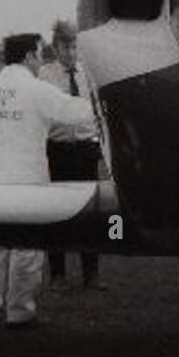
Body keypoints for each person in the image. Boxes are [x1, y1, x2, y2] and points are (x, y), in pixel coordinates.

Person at [0, 33, 96, 327]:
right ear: (27, 57)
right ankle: (20, 313)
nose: (41, 60)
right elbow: (78, 113)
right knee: (26, 247)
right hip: (30, 179)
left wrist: (0, 149)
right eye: (39, 54)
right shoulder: (37, 90)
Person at [39, 20, 106, 291]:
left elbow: (100, 109)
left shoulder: (88, 73)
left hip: (86, 150)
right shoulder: (44, 75)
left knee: (90, 212)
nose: (71, 52)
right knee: (56, 212)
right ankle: (57, 275)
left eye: (75, 45)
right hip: (57, 150)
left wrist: (101, 145)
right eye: (66, 46)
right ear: (55, 47)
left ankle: (92, 273)